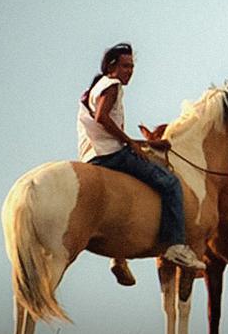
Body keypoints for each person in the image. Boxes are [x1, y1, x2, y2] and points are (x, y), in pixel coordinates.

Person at [78, 43, 205, 287]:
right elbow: (101, 118)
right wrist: (130, 144)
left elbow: (101, 127)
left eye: (132, 67)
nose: (130, 72)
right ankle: (176, 245)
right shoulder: (112, 86)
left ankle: (119, 257)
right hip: (110, 154)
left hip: (93, 154)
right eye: (126, 66)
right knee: (169, 183)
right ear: (112, 66)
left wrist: (147, 144)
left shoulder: (95, 87)